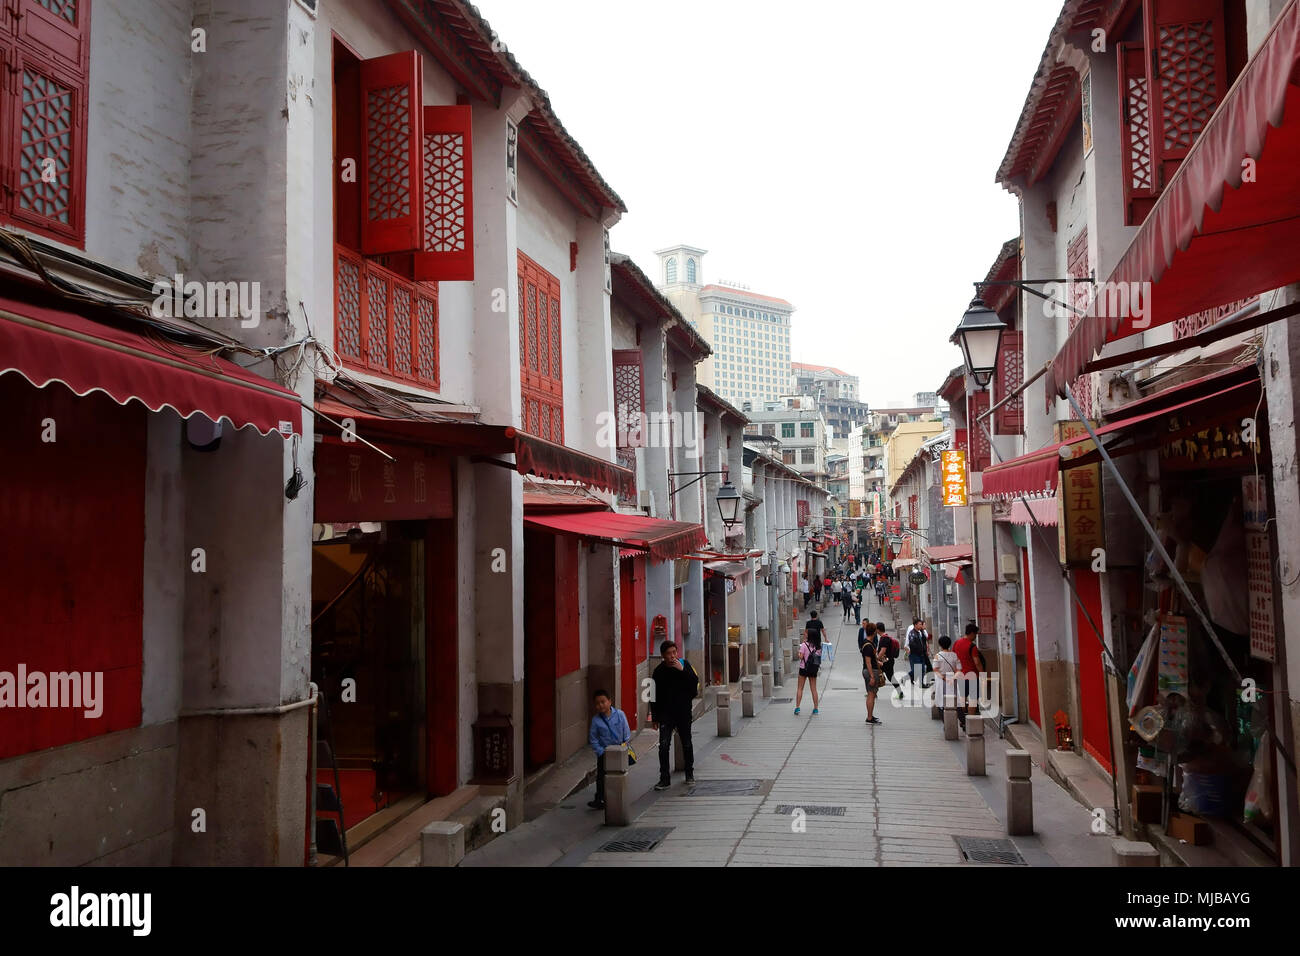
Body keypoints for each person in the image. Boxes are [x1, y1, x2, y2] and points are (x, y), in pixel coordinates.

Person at [651, 641, 700, 790]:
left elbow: (694, 687)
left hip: (683, 712)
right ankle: (664, 778)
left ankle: (689, 773)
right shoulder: (658, 672)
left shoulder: (685, 665)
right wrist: (655, 717)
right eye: (669, 653)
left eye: (674, 652)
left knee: (686, 743)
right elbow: (654, 696)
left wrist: (682, 671)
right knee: (663, 746)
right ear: (663, 656)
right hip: (666, 714)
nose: (672, 656)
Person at [587, 689, 631, 810]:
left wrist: (624, 745)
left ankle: (618, 796)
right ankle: (600, 798)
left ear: (609, 701)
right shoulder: (596, 721)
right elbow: (593, 738)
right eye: (597, 703)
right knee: (602, 776)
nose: (600, 705)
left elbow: (626, 732)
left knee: (619, 773)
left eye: (603, 701)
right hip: (604, 753)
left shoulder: (620, 714)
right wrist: (600, 751)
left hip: (619, 751)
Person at [952, 623, 987, 719]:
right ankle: (971, 721)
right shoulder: (972, 646)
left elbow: (954, 659)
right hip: (971, 676)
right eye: (975, 634)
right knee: (973, 699)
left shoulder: (956, 643)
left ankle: (962, 720)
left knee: (962, 699)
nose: (975, 637)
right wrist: (983, 674)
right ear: (971, 633)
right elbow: (977, 662)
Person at [795, 610, 824, 715]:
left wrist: (799, 654)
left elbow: (801, 656)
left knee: (800, 688)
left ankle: (797, 707)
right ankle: (816, 708)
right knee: (814, 689)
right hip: (813, 669)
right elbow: (818, 657)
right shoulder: (818, 647)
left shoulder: (804, 645)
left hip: (803, 668)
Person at [933, 635, 965, 730]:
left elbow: (935, 669)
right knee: (956, 701)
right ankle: (963, 722)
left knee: (941, 702)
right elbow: (959, 669)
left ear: (940, 645)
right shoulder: (954, 655)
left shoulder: (938, 656)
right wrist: (953, 678)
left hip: (941, 681)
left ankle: (946, 724)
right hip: (953, 680)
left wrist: (943, 678)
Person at [858, 622, 882, 725]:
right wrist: (872, 676)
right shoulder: (868, 645)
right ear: (874, 632)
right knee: (871, 694)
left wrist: (878, 662)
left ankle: (870, 716)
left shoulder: (866, 643)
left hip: (868, 670)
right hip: (870, 671)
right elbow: (868, 662)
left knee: (870, 694)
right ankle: (869, 717)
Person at [905, 618, 929, 688]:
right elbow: (912, 644)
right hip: (915, 654)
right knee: (917, 669)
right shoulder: (912, 633)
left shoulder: (920, 632)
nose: (921, 626)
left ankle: (921, 684)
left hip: (922, 654)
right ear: (915, 625)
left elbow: (925, 640)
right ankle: (905, 678)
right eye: (920, 624)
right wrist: (919, 650)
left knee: (923, 670)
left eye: (922, 624)